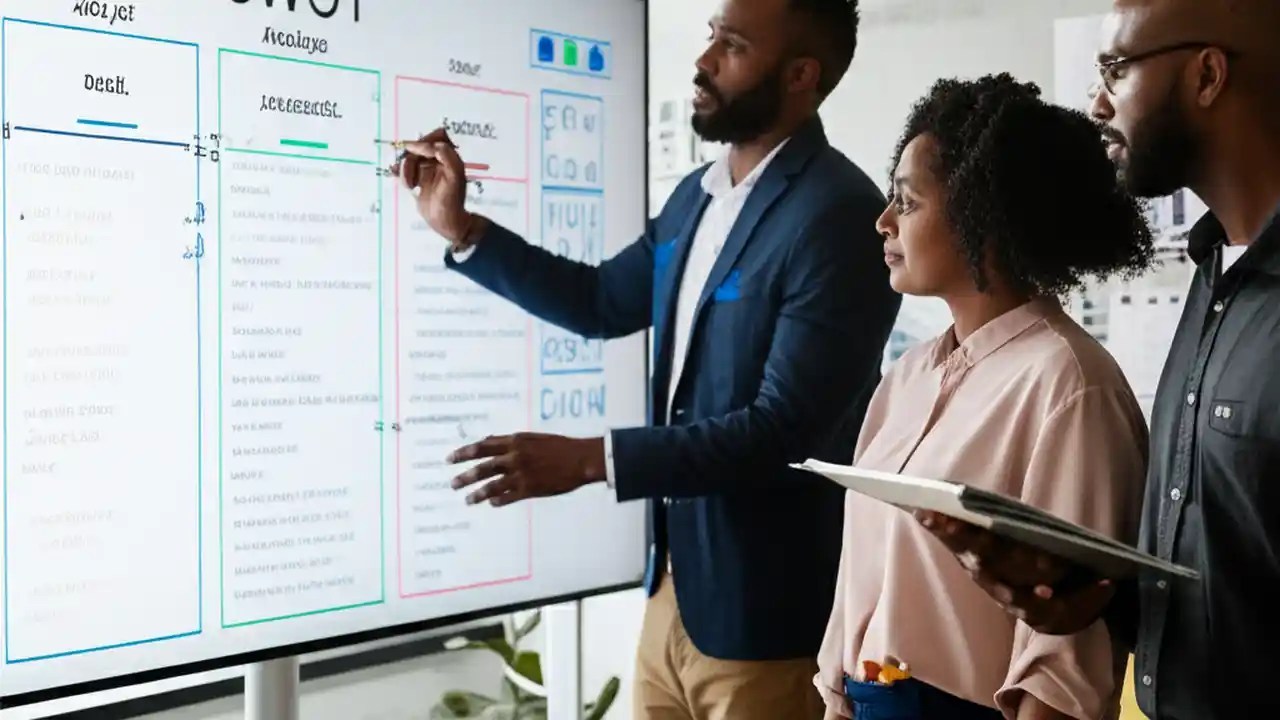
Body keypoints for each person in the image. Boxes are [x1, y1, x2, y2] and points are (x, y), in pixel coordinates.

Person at [394, 0, 900, 717]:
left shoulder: (839, 213)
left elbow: (781, 430)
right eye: (710, 38)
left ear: (800, 75)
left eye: (732, 46)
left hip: (769, 622)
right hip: (672, 600)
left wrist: (587, 460)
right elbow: (601, 299)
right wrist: (464, 228)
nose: (703, 63)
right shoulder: (696, 197)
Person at [915, 1, 1280, 717]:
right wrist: (1085, 593)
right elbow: (1230, 579)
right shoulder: (1213, 280)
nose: (1096, 102)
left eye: (1115, 68)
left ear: (1207, 74)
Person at [813, 73, 1156, 720]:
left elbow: (1064, 666)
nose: (883, 221)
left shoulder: (1070, 386)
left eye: (907, 202)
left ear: (982, 213)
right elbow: (857, 584)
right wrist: (836, 700)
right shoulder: (907, 376)